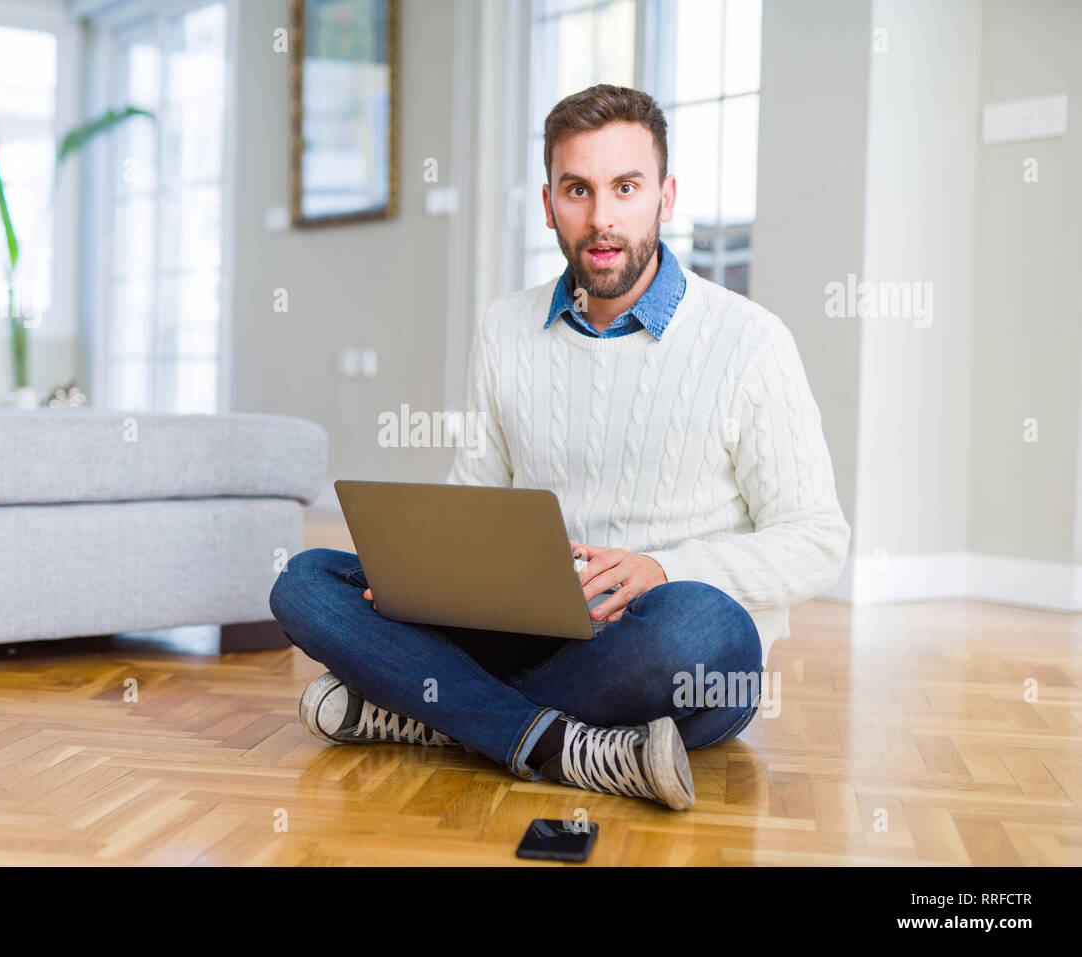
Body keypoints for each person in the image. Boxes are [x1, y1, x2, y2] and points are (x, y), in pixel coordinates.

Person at [269, 84, 850, 810]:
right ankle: (562, 744)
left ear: (665, 197)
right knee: (305, 581)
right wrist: (426, 577)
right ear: (549, 204)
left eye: (626, 187)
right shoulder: (504, 329)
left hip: (660, 652)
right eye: (578, 190)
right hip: (528, 626)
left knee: (709, 627)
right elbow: (477, 497)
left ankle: (430, 714)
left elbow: (818, 539)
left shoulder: (751, 342)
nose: (602, 217)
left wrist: (662, 568)